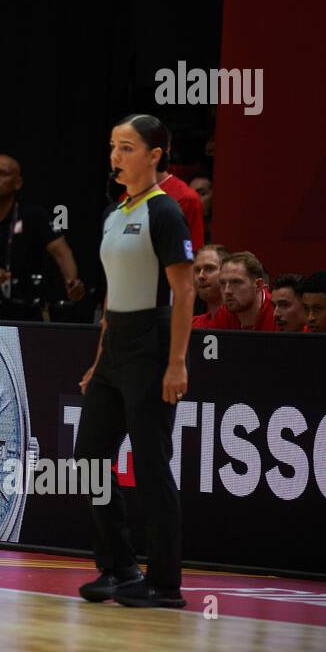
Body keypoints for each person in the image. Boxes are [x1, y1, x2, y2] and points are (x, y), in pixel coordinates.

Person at [75, 114, 194, 608]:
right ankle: (120, 567)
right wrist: (99, 360)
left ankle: (165, 583)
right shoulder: (114, 211)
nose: (116, 157)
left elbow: (184, 289)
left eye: (127, 148)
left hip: (152, 344)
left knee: (151, 467)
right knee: (88, 461)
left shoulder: (166, 212)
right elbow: (111, 295)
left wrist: (177, 362)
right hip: (115, 348)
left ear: (154, 154)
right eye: (112, 147)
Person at [0, 154, 85, 320]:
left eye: (3, 174)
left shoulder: (34, 216)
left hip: (25, 314)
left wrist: (71, 281)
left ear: (18, 183)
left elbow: (61, 252)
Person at [197, 251, 277, 330]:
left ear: (258, 285)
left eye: (236, 282)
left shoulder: (277, 312)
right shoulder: (224, 313)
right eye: (222, 283)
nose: (227, 291)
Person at [157, 169, 205, 250]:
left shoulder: (185, 198)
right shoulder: (130, 194)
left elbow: (192, 252)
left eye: (128, 154)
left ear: (154, 157)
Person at [190, 243, 228, 325]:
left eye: (209, 268)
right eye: (197, 270)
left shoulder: (243, 319)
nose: (201, 276)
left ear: (226, 271)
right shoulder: (192, 322)